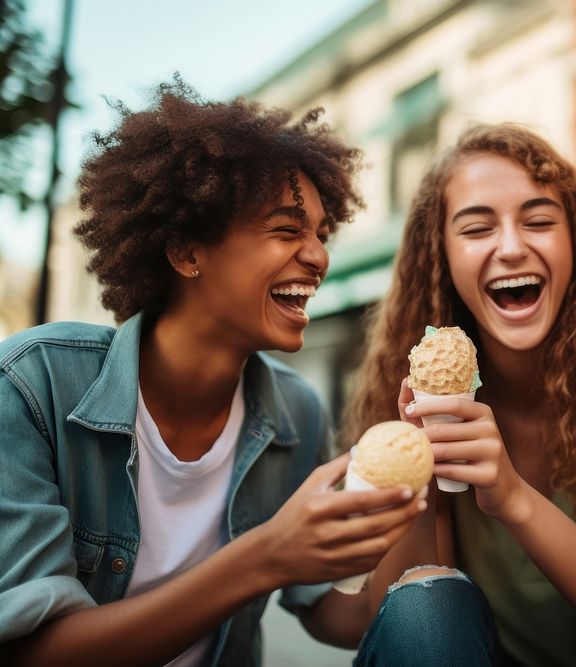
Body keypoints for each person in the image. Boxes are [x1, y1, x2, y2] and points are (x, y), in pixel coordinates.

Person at [0, 79, 436, 666]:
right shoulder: (36, 385)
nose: (318, 256)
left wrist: (413, 487)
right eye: (287, 230)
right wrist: (265, 557)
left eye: (321, 235)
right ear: (185, 252)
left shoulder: (296, 412)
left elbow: (344, 616)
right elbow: (37, 653)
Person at [342, 122, 576, 666]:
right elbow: (408, 621)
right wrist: (417, 476)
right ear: (442, 256)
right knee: (424, 606)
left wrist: (511, 497)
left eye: (539, 222)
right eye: (476, 230)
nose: (513, 247)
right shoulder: (412, 378)